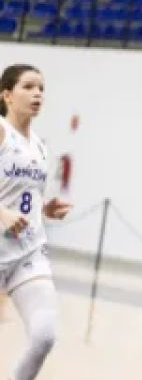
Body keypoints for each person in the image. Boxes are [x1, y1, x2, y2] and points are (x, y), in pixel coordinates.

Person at [0, 64, 71, 380]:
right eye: (28, 87)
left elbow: (19, 198)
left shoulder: (40, 145)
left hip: (28, 252)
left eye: (41, 88)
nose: (37, 93)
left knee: (44, 335)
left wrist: (44, 208)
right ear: (6, 95)